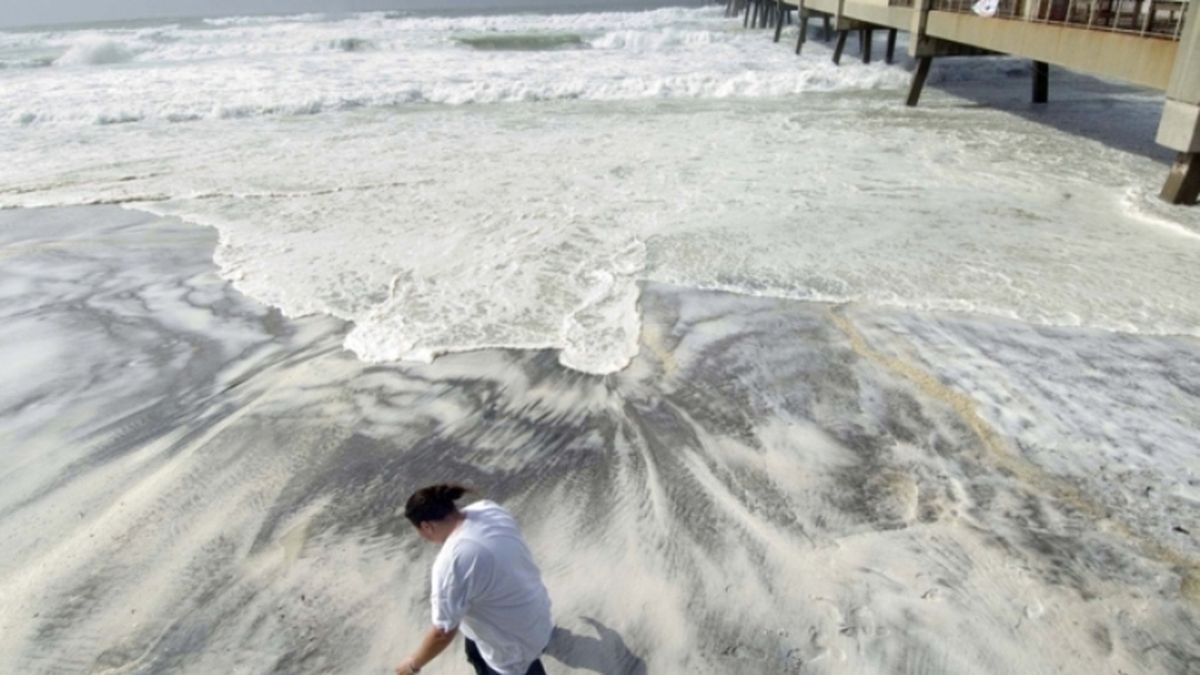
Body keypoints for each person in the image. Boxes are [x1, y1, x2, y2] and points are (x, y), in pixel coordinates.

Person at [395, 484, 553, 675]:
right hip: (537, 612)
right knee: (474, 650)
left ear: (426, 526)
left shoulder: (452, 561)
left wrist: (413, 664)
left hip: (513, 649)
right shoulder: (488, 509)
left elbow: (442, 632)